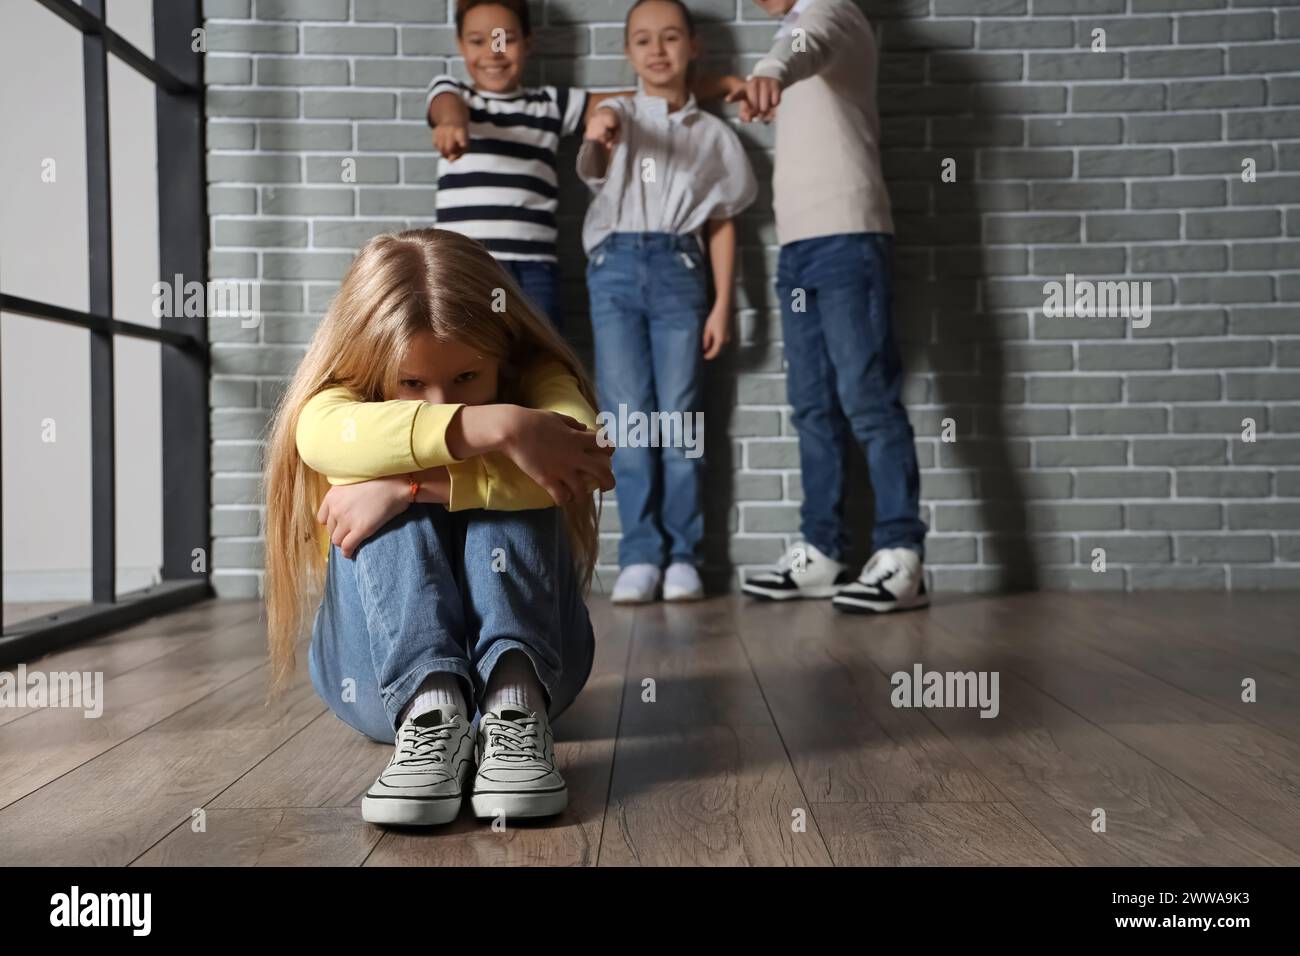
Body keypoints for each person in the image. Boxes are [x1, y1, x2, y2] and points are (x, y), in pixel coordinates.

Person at [262, 229, 614, 826]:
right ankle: (429, 711)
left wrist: (408, 486)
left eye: (469, 381)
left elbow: (586, 460)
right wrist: (498, 427)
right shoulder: (338, 395)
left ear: (503, 351)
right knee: (372, 480)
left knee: (499, 483)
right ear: (373, 361)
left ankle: (513, 704)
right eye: (412, 385)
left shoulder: (538, 375)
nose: (443, 402)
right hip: (377, 683)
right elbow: (314, 437)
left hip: (545, 670)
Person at [730, 0, 930, 613]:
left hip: (849, 240)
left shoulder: (832, 10)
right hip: (798, 249)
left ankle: (902, 555)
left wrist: (767, 68)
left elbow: (803, 43)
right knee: (813, 406)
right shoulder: (793, 25)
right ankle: (823, 551)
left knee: (868, 400)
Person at [579, 0, 757, 604]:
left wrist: (723, 305)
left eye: (671, 37)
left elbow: (723, 221)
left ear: (694, 47)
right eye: (643, 40)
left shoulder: (714, 135)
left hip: (683, 270)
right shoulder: (615, 114)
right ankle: (640, 553)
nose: (657, 50)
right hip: (614, 270)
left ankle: (685, 554)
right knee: (629, 419)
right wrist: (600, 134)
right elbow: (594, 162)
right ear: (629, 53)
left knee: (681, 420)